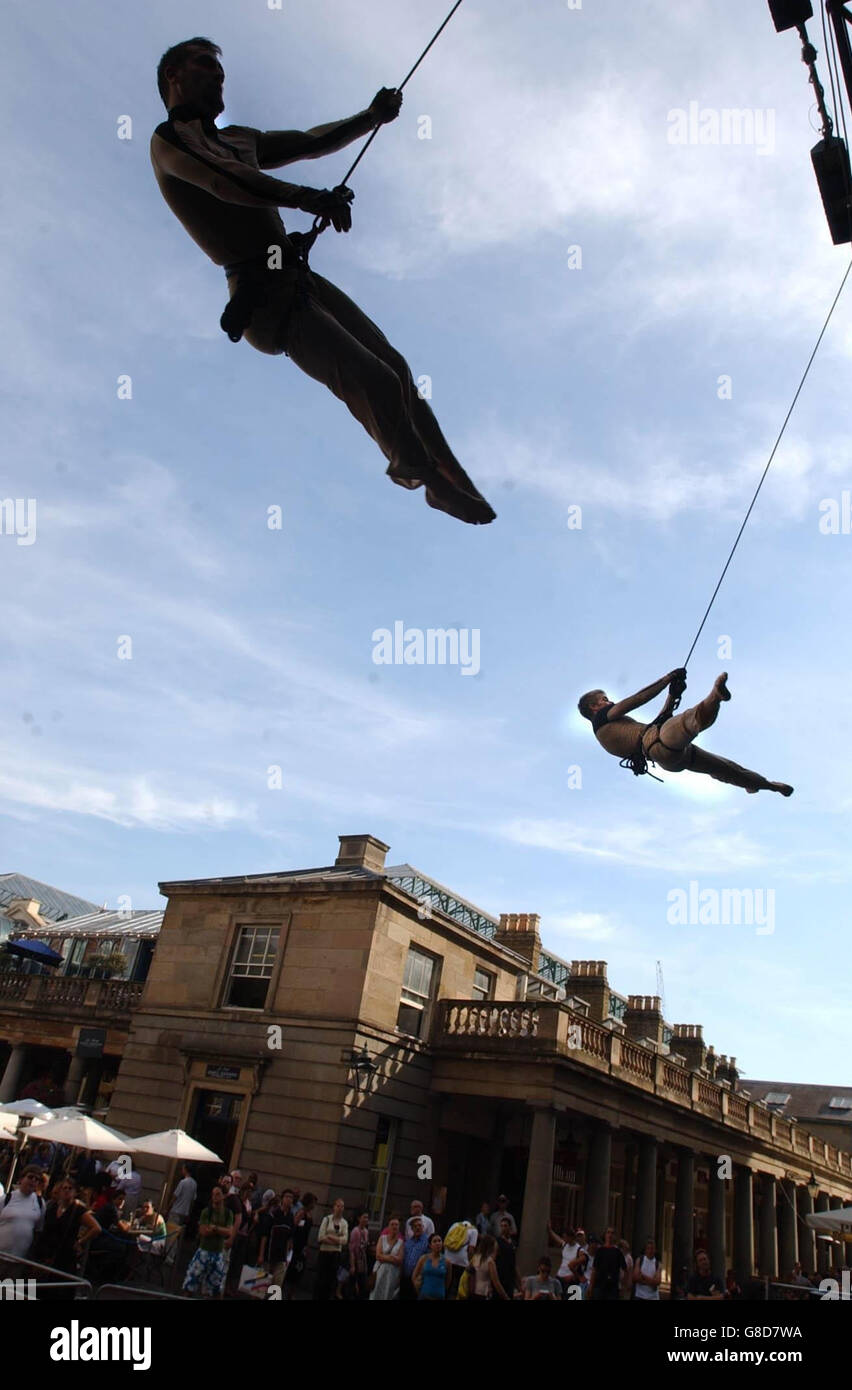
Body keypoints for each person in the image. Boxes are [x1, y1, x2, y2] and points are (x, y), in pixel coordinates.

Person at [151, 38, 496, 528]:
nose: (218, 75)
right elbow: (225, 182)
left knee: (396, 369)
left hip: (296, 276)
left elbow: (311, 141)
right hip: (264, 300)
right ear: (173, 77)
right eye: (205, 65)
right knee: (373, 379)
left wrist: (370, 117)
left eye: (220, 68)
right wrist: (310, 199)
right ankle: (428, 480)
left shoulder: (242, 139)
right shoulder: (169, 141)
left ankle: (450, 472)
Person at [579, 671, 793, 795]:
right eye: (604, 700)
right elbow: (636, 699)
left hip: (666, 755)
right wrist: (666, 679)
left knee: (726, 768)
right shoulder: (601, 718)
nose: (610, 702)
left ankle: (765, 786)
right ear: (594, 708)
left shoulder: (610, 732)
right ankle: (715, 697)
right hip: (657, 745)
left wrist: (673, 694)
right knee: (688, 722)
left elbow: (660, 722)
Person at [32, 1176, 98, 1298]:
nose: (66, 1190)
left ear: (75, 1192)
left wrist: (80, 1241)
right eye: (64, 1188)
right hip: (46, 1254)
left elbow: (96, 1228)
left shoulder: (78, 1210)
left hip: (65, 1257)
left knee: (59, 1291)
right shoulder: (51, 1206)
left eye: (70, 1188)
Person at [182, 1184, 234, 1298]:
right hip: (204, 1252)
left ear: (224, 1196)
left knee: (215, 1288)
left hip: (218, 1254)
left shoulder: (227, 1213)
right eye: (213, 1194)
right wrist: (220, 1230)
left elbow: (229, 1232)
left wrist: (214, 1228)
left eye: (218, 1194)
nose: (214, 1197)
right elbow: (203, 1231)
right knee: (190, 1283)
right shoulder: (206, 1212)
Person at [0, 1166, 46, 1257]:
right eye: (30, 1177)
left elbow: (38, 1229)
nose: (33, 1180)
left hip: (20, 1259)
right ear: (21, 1179)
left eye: (37, 1179)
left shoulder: (40, 1203)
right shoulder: (6, 1198)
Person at [258, 1189, 297, 1293]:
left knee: (277, 1285)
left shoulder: (290, 1217)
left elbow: (290, 1237)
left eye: (291, 1197)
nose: (289, 1199)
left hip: (282, 1256)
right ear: (282, 1199)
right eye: (287, 1196)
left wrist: (288, 1255)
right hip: (269, 1254)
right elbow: (265, 1235)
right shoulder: (273, 1214)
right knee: (261, 1286)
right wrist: (261, 1254)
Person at [314, 1197, 349, 1300]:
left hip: (335, 1255)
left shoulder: (344, 1223)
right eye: (338, 1206)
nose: (340, 1208)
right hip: (324, 1253)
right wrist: (336, 1241)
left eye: (342, 1206)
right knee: (320, 1280)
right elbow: (320, 1237)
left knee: (331, 1281)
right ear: (334, 1207)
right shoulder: (327, 1219)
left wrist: (329, 1237)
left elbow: (344, 1240)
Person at [369, 1214, 404, 1300]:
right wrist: (392, 1258)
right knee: (376, 1292)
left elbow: (399, 1260)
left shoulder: (401, 1242)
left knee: (388, 1294)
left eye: (396, 1224)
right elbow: (378, 1256)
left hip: (392, 1273)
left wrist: (384, 1257)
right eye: (392, 1224)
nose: (394, 1226)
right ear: (388, 1226)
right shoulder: (382, 1238)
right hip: (379, 1270)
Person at [587, 1226, 626, 1301]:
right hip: (599, 1285)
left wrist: (622, 1286)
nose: (610, 1235)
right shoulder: (600, 1251)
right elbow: (594, 1269)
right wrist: (591, 1286)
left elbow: (624, 1269)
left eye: (612, 1233)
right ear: (605, 1235)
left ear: (615, 1236)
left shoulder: (618, 1252)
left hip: (613, 1287)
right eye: (608, 1232)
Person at [443, 1218, 479, 1298]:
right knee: (458, 1287)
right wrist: (470, 1262)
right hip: (462, 1262)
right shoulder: (474, 1230)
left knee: (447, 1284)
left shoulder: (454, 1225)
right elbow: (471, 1250)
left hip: (447, 1260)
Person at [289, 1192, 316, 1292]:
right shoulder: (301, 1213)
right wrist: (291, 1241)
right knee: (292, 1267)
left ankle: (292, 1292)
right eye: (313, 1202)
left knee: (299, 1268)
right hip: (296, 1243)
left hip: (303, 1245)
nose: (314, 1205)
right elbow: (294, 1226)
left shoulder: (309, 1214)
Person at [469, 1234, 508, 1300]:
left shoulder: (476, 1258)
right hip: (484, 1292)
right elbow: (496, 1282)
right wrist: (505, 1296)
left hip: (473, 1291)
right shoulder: (490, 1262)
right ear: (491, 1248)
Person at [414, 1233, 452, 1300]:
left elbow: (448, 1281)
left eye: (439, 1241)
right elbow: (414, 1276)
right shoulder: (423, 1258)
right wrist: (418, 1290)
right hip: (424, 1296)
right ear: (430, 1245)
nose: (437, 1243)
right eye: (434, 1241)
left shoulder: (447, 1262)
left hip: (439, 1296)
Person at [401, 1215, 431, 1300]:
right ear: (412, 1229)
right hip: (405, 1278)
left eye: (419, 1225)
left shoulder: (427, 1242)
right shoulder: (408, 1243)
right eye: (415, 1226)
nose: (417, 1228)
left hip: (418, 1279)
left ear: (423, 1227)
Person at [495, 1216, 523, 1298]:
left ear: (510, 1227)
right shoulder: (498, 1241)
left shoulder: (512, 1243)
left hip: (510, 1278)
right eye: (502, 1226)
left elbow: (514, 1263)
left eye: (505, 1226)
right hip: (500, 1276)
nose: (503, 1228)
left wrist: (519, 1280)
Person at [348, 1209, 372, 1301]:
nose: (366, 1219)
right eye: (364, 1217)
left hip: (363, 1261)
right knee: (352, 1285)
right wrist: (353, 1265)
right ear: (359, 1218)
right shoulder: (355, 1231)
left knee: (363, 1286)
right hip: (356, 1261)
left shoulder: (366, 1231)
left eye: (367, 1218)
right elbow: (352, 1250)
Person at [167, 1162, 197, 1228]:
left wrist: (168, 1207)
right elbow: (193, 1200)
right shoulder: (194, 1184)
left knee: (171, 1230)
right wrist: (189, 1212)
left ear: (185, 1170)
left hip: (176, 1211)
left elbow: (175, 1196)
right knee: (179, 1231)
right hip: (184, 1212)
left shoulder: (183, 1182)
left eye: (183, 1168)